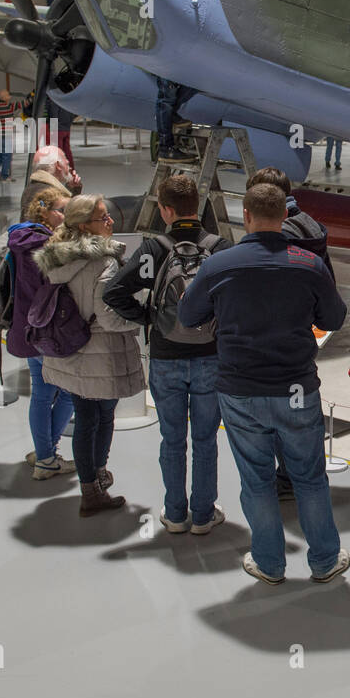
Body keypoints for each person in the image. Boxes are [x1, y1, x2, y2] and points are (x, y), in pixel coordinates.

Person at [179, 183, 350, 583]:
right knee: (309, 477)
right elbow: (334, 320)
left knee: (255, 479)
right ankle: (324, 560)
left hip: (239, 388)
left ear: (247, 217)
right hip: (296, 388)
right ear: (283, 217)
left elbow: (188, 317)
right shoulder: (308, 264)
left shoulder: (220, 264)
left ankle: (270, 563)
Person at [104, 175, 233, 532]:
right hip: (210, 355)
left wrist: (148, 317)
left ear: (165, 209)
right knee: (206, 438)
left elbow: (114, 292)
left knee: (172, 438)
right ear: (199, 205)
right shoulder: (220, 247)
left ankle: (175, 514)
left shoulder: (152, 249)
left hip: (165, 355)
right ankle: (204, 515)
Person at [33, 195, 145, 516]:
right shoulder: (104, 262)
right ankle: (95, 483)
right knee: (102, 417)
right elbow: (109, 316)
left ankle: (90, 483)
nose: (110, 222)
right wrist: (141, 320)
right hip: (100, 354)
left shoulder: (57, 259)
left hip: (69, 350)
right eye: (103, 218)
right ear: (84, 226)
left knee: (84, 418)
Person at [246, 167, 337, 499]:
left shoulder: (282, 230)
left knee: (277, 413)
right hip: (306, 326)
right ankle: (297, 474)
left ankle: (288, 478)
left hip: (280, 329)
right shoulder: (311, 223)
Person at [8, 186, 76, 479]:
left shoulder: (20, 238)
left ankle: (44, 451)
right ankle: (47, 457)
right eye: (61, 210)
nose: (66, 216)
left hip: (25, 329)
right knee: (69, 393)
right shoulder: (47, 247)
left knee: (41, 394)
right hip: (47, 333)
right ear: (44, 211)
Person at [20, 145, 82, 219]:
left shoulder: (31, 187)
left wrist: (73, 189)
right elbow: (70, 219)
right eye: (67, 164)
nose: (70, 168)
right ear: (58, 165)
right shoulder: (51, 193)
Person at [155, 77, 198, 162]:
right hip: (165, 67)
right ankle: (166, 148)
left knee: (194, 85)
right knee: (166, 100)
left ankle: (169, 114)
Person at [0, 88, 24, 181]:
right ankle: (5, 175)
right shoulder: (10, 107)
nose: (10, 97)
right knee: (6, 156)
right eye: (8, 95)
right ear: (4, 98)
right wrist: (32, 96)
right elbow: (24, 103)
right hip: (7, 135)